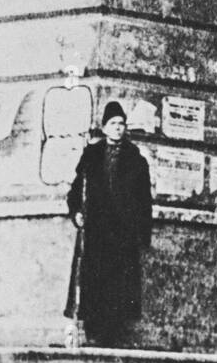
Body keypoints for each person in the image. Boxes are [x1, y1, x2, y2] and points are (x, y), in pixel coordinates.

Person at [65, 101, 153, 347]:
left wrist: (142, 234)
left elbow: (145, 201)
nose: (118, 128)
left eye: (121, 124)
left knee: (120, 285)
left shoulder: (136, 159)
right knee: (95, 281)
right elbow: (75, 190)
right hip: (97, 231)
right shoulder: (91, 155)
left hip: (123, 234)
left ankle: (115, 333)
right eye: (113, 124)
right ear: (104, 128)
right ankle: (94, 331)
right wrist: (76, 213)